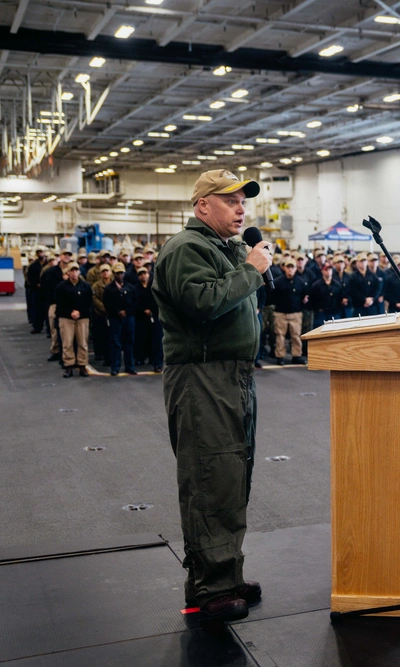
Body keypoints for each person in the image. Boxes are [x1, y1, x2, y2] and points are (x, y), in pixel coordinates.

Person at [152, 169, 270, 623]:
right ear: (203, 206)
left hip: (232, 375)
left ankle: (225, 573)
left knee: (231, 476)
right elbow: (202, 304)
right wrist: (250, 271)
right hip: (202, 377)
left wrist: (245, 265)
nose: (242, 208)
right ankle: (211, 586)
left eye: (244, 200)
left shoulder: (227, 248)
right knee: (209, 477)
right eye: (231, 201)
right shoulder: (187, 248)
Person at [54, 262, 93, 378]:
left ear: (79, 272)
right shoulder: (61, 287)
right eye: (72, 270)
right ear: (68, 272)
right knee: (67, 343)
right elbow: (59, 303)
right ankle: (69, 366)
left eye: (76, 270)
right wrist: (70, 312)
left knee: (83, 343)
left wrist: (80, 312)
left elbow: (89, 302)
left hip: (82, 318)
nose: (74, 272)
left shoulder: (86, 286)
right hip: (66, 318)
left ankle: (82, 365)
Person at [271, 257, 308, 365]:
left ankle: (296, 355)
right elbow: (273, 296)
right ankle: (280, 356)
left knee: (296, 336)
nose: (290, 269)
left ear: (296, 268)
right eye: (288, 267)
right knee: (280, 336)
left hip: (296, 313)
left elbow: (304, 296)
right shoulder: (278, 282)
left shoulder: (301, 282)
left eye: (292, 267)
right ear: (284, 268)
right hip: (280, 313)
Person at [104, 261, 138, 376]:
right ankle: (115, 366)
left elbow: (135, 302)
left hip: (129, 317)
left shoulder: (131, 288)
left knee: (129, 342)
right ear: (114, 274)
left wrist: (127, 312)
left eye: (122, 273)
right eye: (118, 273)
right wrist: (117, 312)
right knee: (115, 342)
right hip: (115, 317)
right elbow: (107, 304)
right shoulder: (109, 289)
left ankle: (130, 366)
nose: (120, 276)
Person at [134, 266, 164, 372]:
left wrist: (151, 310)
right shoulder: (136, 288)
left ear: (149, 274)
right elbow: (135, 302)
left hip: (154, 315)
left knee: (157, 340)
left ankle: (157, 363)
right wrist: (143, 309)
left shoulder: (154, 286)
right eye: (141, 274)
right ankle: (140, 358)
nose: (143, 275)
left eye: (145, 273)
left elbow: (158, 300)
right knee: (142, 339)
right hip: (141, 316)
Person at [346, 253, 380, 317]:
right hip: (359, 307)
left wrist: (372, 299)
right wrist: (364, 299)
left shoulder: (373, 276)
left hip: (372, 306)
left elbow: (377, 288)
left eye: (364, 261)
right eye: (361, 261)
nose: (363, 263)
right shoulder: (353, 277)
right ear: (357, 263)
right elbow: (353, 291)